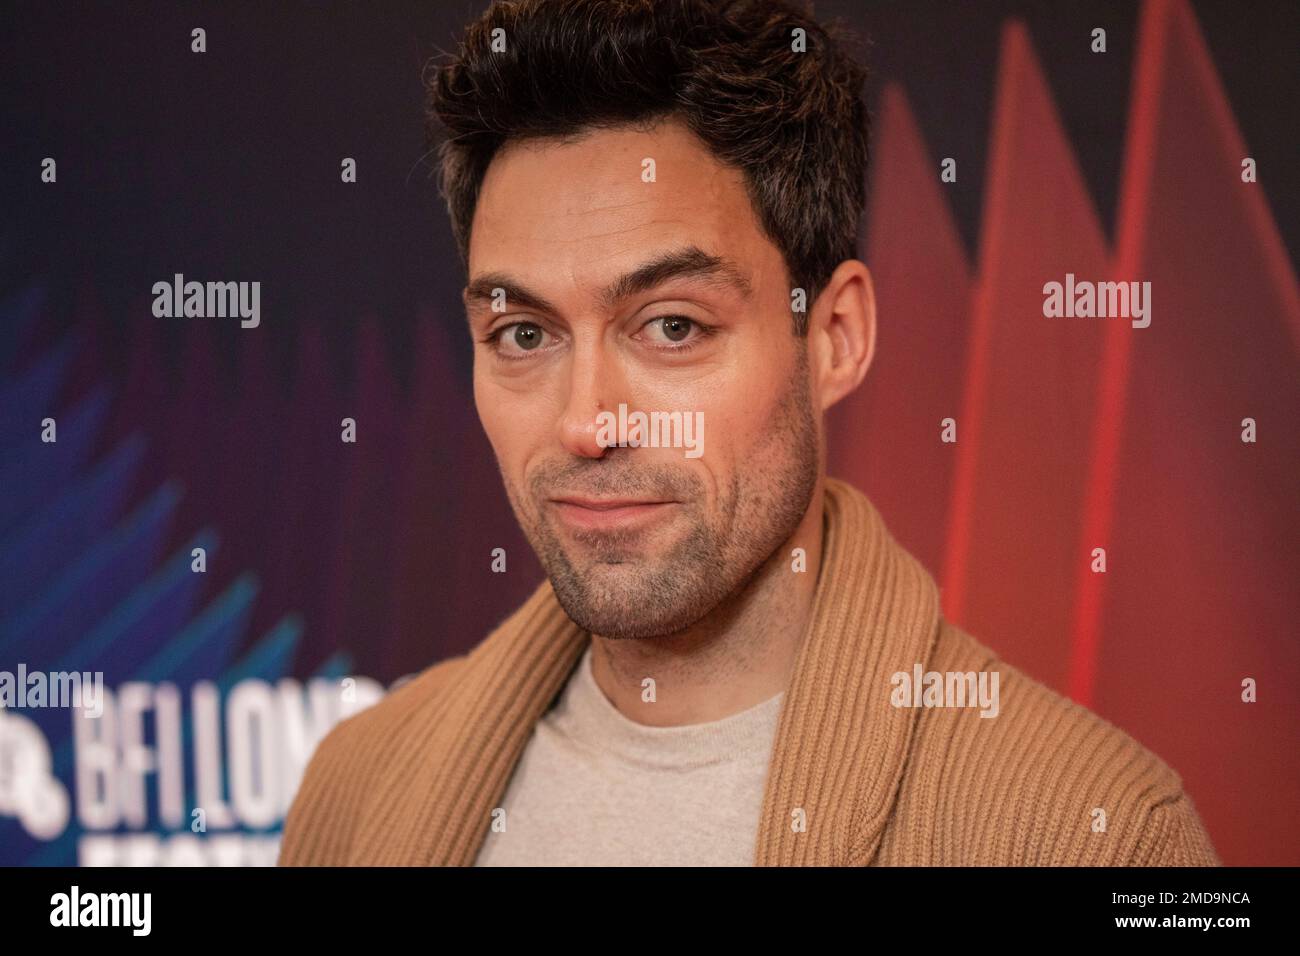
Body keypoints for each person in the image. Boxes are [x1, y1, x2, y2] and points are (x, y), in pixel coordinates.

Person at [279, 0, 1218, 866]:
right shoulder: (359, 787)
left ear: (835, 338)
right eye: (524, 334)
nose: (584, 423)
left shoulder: (1094, 834)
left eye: (673, 326)